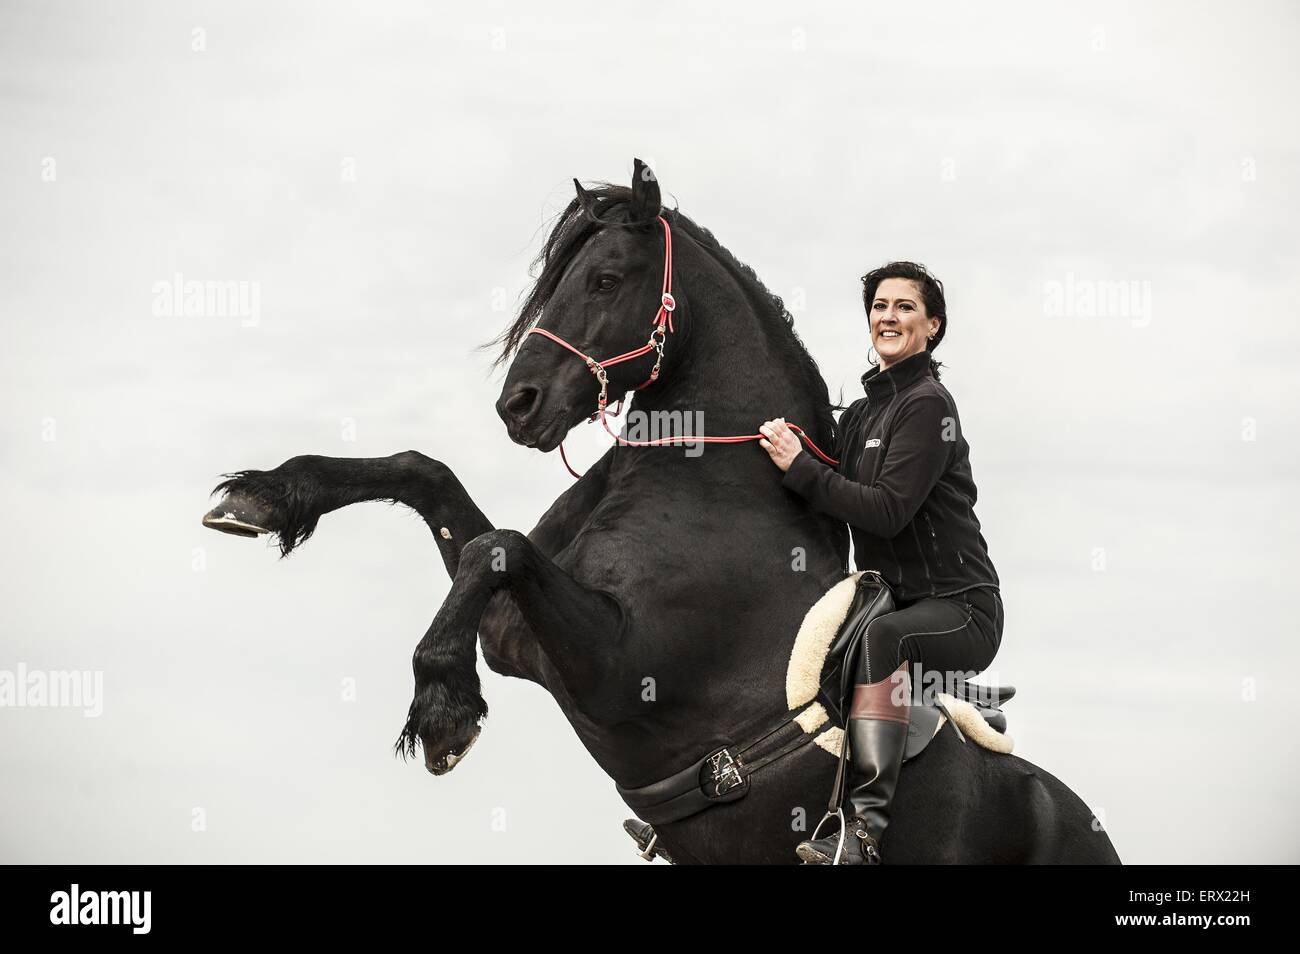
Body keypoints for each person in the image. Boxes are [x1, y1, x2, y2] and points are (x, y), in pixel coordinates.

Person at [759, 261, 1003, 865]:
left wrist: (803, 469)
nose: (887, 316)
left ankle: (861, 833)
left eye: (904, 307)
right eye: (879, 306)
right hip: (889, 606)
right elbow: (826, 483)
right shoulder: (863, 414)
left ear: (932, 328)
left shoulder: (928, 406)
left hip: (961, 611)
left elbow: (888, 511)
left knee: (883, 640)